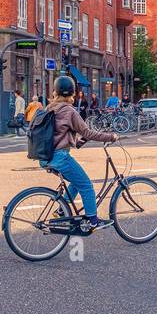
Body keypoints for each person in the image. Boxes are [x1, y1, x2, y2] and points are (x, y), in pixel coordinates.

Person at [42, 74, 119, 230]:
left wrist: (78, 142)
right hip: (60, 157)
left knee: (76, 182)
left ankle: (61, 210)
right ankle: (92, 220)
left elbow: (59, 134)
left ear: (55, 92)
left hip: (46, 157)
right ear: (72, 93)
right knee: (86, 185)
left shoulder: (50, 108)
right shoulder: (69, 111)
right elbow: (88, 132)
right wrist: (111, 136)